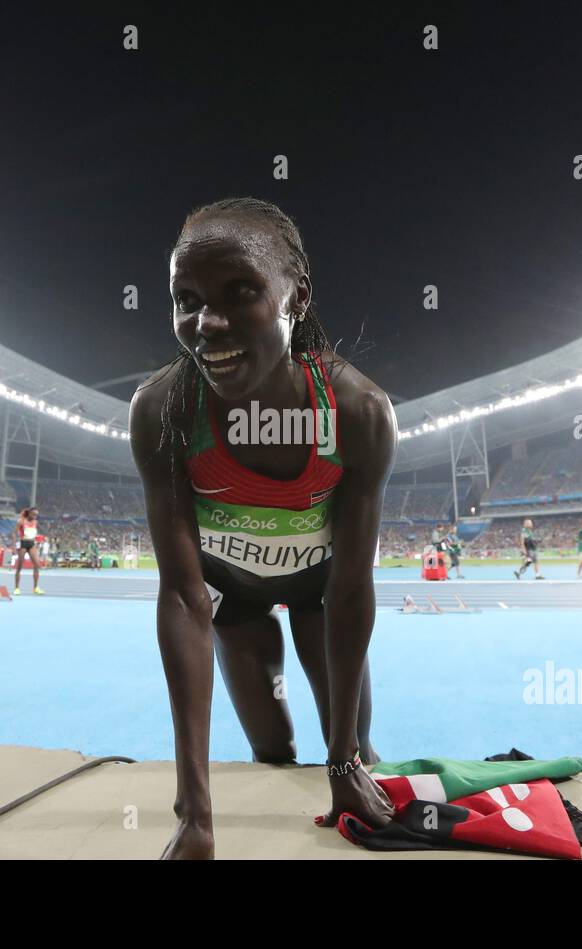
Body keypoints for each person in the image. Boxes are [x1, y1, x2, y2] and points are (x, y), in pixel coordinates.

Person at [130, 197, 394, 859]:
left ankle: (352, 758)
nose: (206, 323)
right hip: (234, 602)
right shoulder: (163, 410)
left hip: (318, 595)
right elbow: (185, 598)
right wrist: (194, 815)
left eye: (240, 292)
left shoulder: (357, 411)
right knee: (271, 751)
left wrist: (343, 763)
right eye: (185, 299)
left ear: (296, 296)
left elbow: (352, 591)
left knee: (355, 748)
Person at [13, 507, 44, 595]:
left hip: (31, 544)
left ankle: (35, 588)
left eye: (36, 515)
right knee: (19, 566)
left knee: (37, 565)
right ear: (29, 513)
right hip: (23, 543)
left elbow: (34, 533)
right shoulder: (21, 521)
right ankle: (17, 588)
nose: (35, 516)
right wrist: (14, 545)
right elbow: (14, 533)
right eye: (33, 514)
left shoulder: (35, 522)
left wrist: (38, 541)